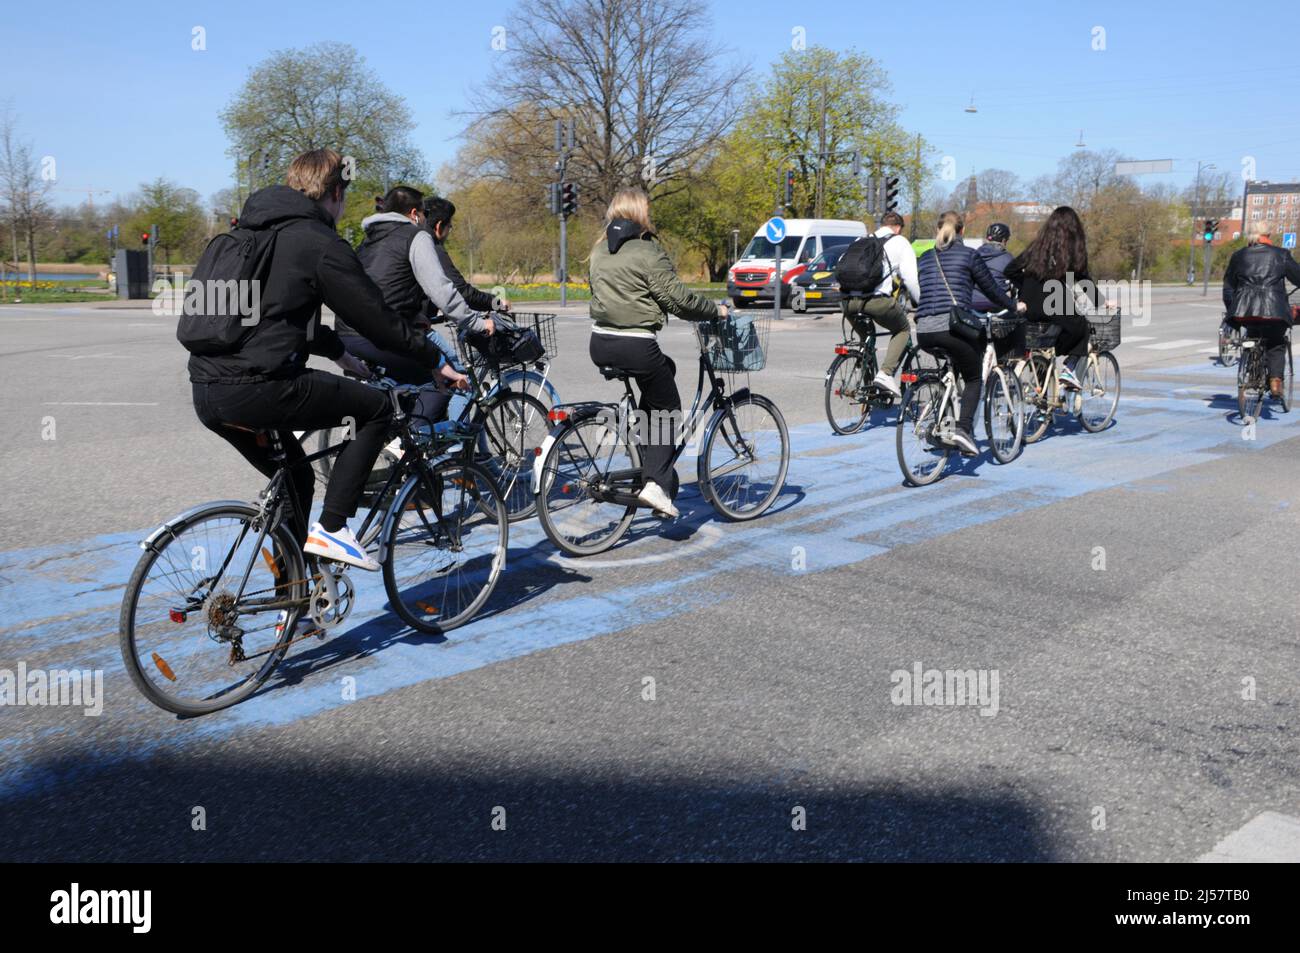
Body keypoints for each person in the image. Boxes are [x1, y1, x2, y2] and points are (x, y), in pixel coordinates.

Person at [188, 148, 446, 573]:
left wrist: (340, 354)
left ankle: (293, 602)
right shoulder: (318, 241)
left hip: (209, 392)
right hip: (261, 388)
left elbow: (280, 317)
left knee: (296, 479)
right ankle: (333, 528)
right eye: (345, 194)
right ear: (335, 193)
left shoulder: (251, 234)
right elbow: (376, 319)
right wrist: (433, 357)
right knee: (379, 410)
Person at [587, 186, 725, 518]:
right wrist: (714, 311)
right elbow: (678, 300)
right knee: (669, 406)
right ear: (639, 212)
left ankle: (649, 452)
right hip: (636, 344)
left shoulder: (600, 250)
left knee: (666, 370)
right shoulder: (647, 251)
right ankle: (654, 485)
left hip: (600, 342)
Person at [347, 185, 479, 426]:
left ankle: (393, 433)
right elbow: (442, 290)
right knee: (445, 381)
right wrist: (475, 322)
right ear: (414, 214)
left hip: (349, 336)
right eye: (422, 215)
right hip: (383, 335)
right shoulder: (415, 236)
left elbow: (380, 289)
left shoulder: (367, 242)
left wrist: (413, 314)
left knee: (403, 384)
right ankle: (416, 451)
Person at [914, 211, 1024, 456]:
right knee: (974, 378)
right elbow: (991, 289)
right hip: (951, 327)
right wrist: (1014, 305)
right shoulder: (968, 255)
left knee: (954, 367)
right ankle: (963, 429)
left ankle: (943, 413)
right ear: (962, 231)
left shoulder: (925, 257)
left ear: (937, 230)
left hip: (923, 330)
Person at [1004, 206, 1108, 391]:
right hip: (1055, 304)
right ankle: (1069, 369)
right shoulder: (1072, 249)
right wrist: (1101, 302)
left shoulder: (1038, 247)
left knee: (1040, 348)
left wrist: (1026, 285)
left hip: (1029, 306)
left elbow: (1010, 270)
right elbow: (1082, 279)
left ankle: (1043, 407)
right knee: (1082, 327)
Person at [841, 210, 920, 397]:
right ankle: (885, 374)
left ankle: (866, 383)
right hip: (875, 300)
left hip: (847, 302)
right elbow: (910, 279)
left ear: (882, 224)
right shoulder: (900, 242)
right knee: (902, 329)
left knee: (867, 338)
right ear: (898, 228)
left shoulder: (862, 240)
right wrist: (920, 302)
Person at [1222, 222, 1300, 398]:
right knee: (1276, 343)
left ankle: (1251, 368)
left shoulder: (1238, 256)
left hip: (1244, 312)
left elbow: (1228, 288)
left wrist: (1232, 310)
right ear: (1268, 235)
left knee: (1252, 335)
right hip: (1274, 311)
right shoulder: (1281, 255)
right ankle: (1275, 380)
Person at [969, 222, 1024, 360]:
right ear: (1004, 240)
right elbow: (1019, 283)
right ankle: (1010, 359)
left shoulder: (974, 255)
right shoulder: (1008, 258)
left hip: (973, 306)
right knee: (1019, 321)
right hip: (996, 305)